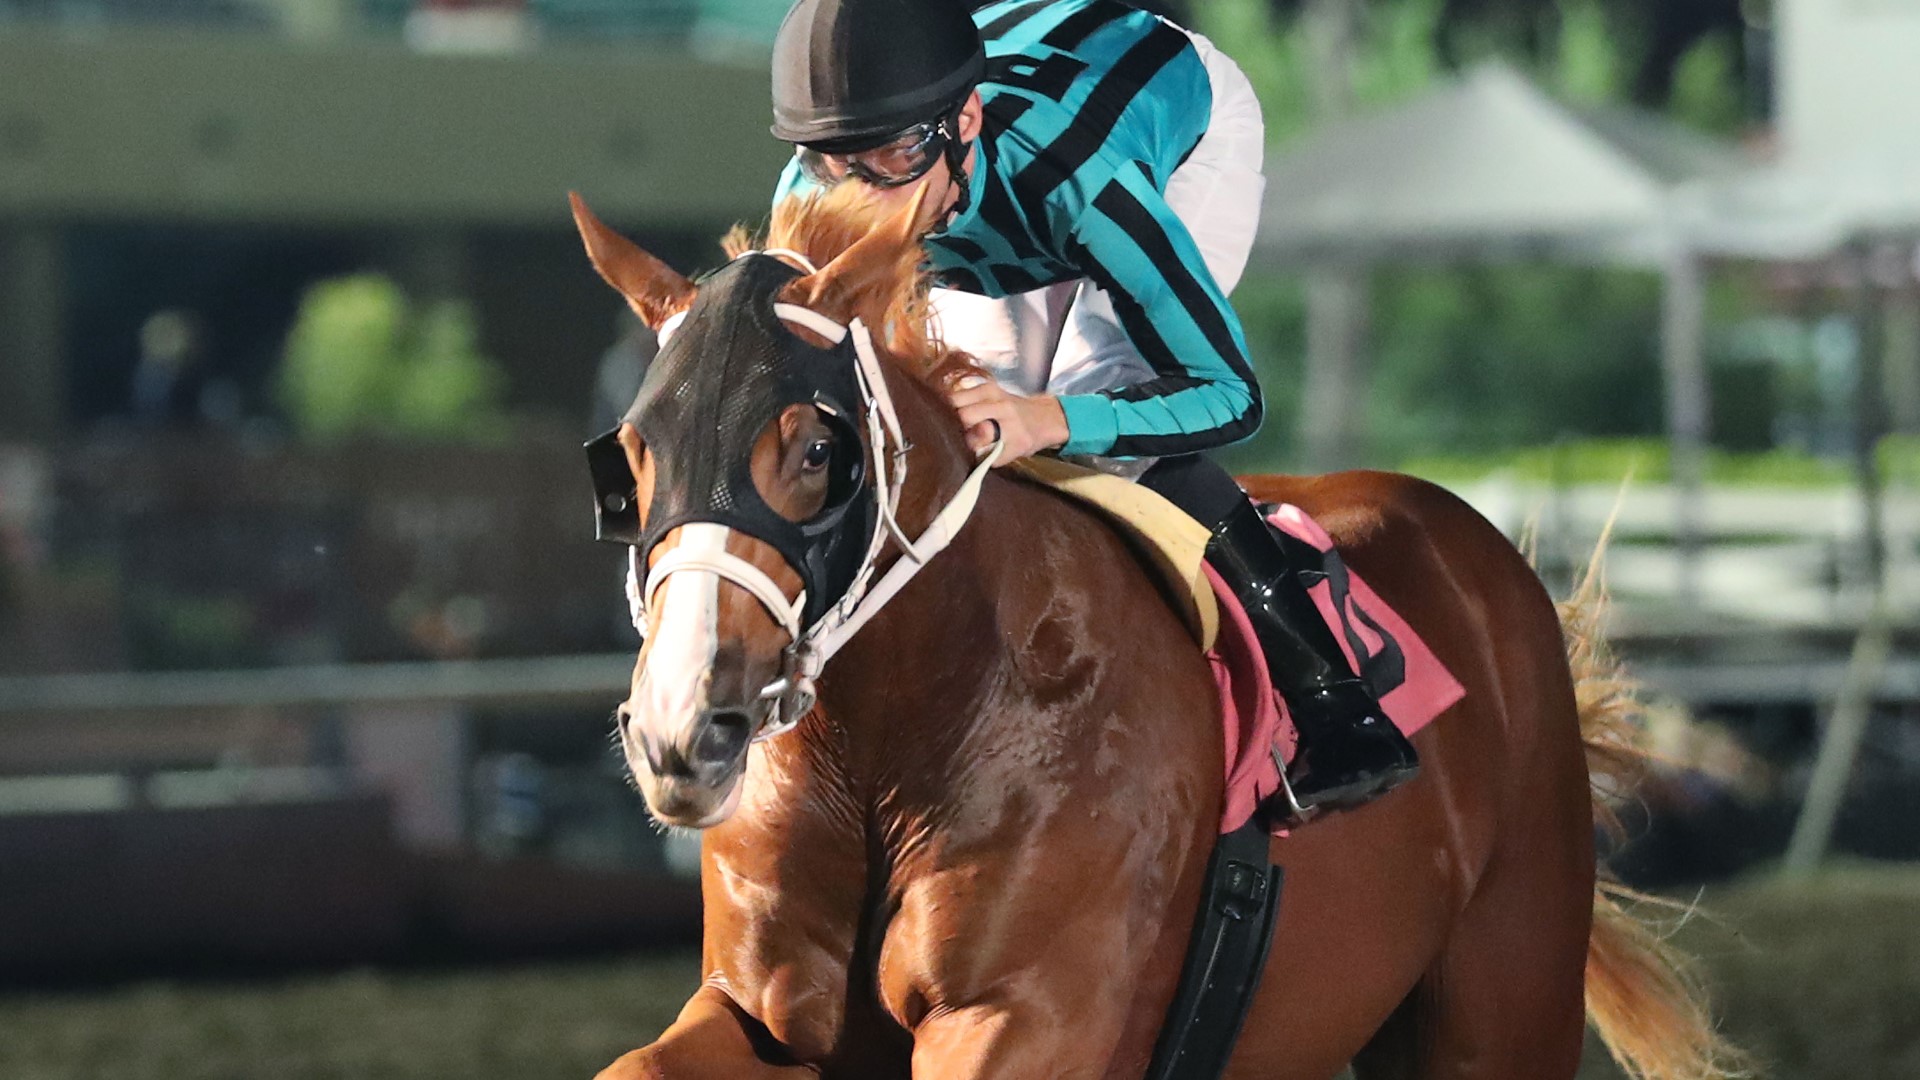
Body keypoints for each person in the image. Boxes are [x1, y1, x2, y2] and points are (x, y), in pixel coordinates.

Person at [766, 0, 1416, 815]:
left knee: (1089, 427)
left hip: (1168, 137)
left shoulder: (1083, 182)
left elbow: (1229, 393)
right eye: (832, 164)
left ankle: (1338, 706)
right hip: (1015, 142)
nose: (863, 204)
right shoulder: (819, 187)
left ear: (963, 121)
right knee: (959, 417)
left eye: (892, 158)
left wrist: (1052, 419)